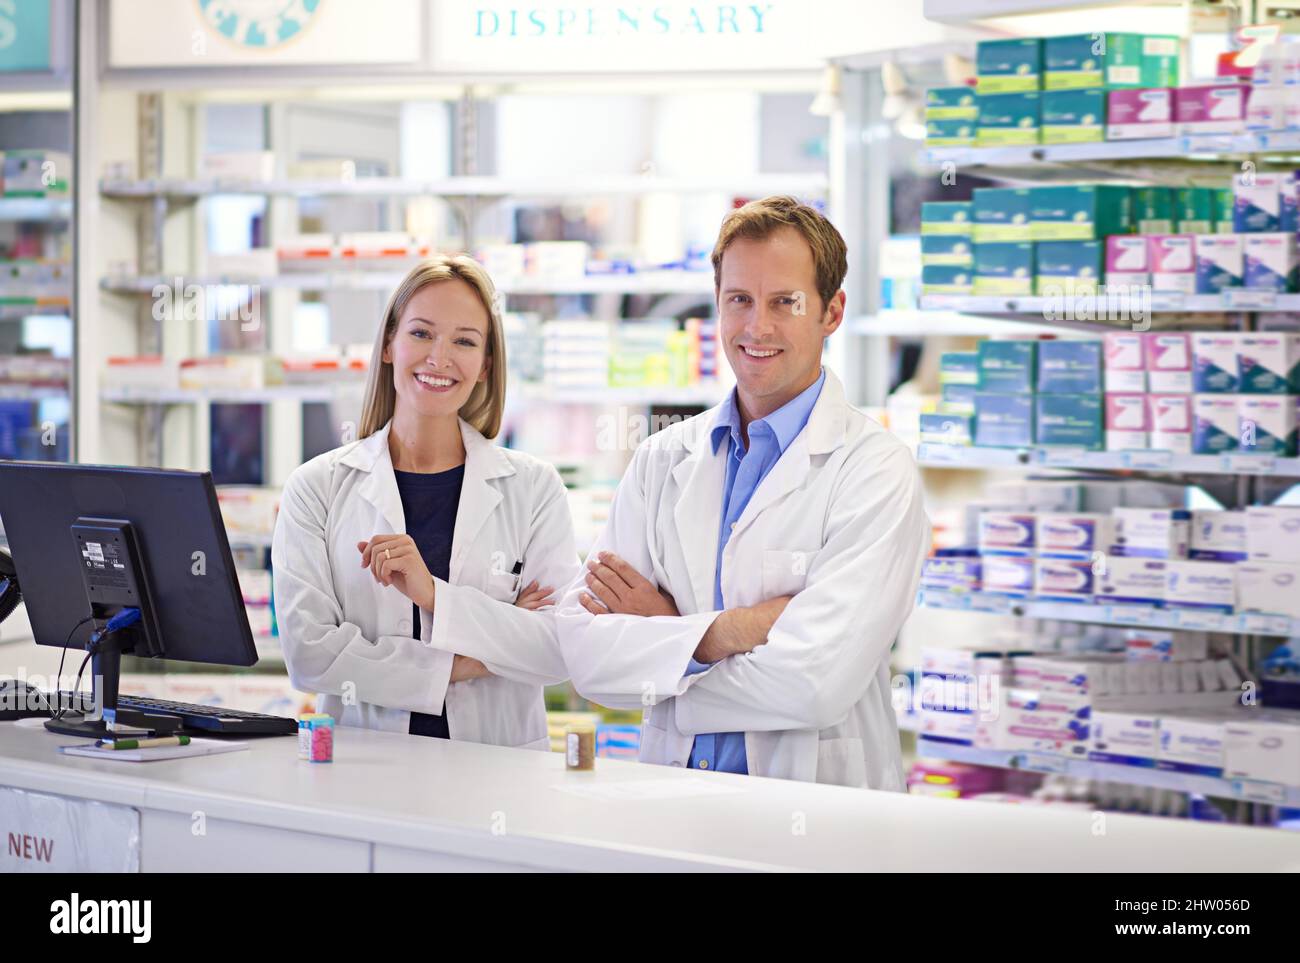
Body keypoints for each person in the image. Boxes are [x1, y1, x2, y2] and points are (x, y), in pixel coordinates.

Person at [556, 196, 930, 789]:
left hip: (811, 815)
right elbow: (587, 658)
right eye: (740, 301)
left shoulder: (875, 471)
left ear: (831, 312)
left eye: (785, 302)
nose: (757, 327)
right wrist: (729, 631)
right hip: (671, 801)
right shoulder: (662, 459)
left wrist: (667, 641)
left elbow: (814, 686)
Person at [273, 255, 578, 750]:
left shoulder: (533, 488)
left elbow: (558, 649)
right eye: (421, 333)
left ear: (485, 367)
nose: (440, 357)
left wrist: (434, 595)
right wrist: (476, 659)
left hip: (497, 775)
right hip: (365, 770)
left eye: (464, 341)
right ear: (390, 343)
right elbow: (310, 656)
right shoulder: (317, 487)